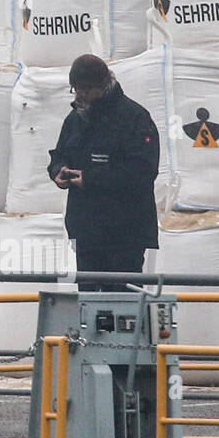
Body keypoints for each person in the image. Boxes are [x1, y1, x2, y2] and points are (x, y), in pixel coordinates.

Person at [47, 54, 159, 291]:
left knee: (121, 304)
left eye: (86, 90)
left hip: (124, 234)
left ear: (102, 85)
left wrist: (90, 178)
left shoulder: (135, 118)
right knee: (88, 305)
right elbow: (60, 154)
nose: (81, 95)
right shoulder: (76, 118)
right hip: (87, 231)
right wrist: (58, 171)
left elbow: (143, 171)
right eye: (77, 90)